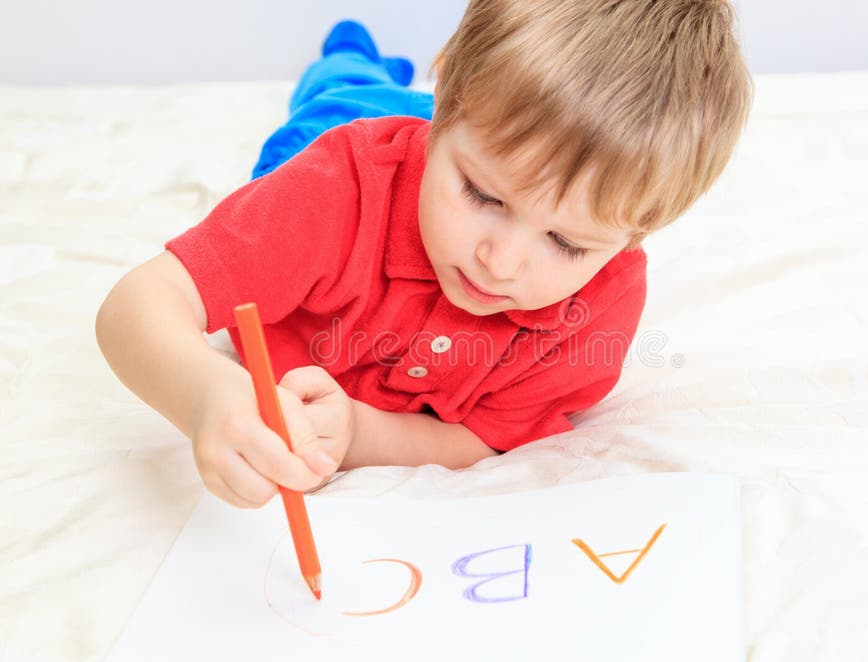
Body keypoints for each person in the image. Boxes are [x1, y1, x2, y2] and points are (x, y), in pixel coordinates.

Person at [96, 1, 753, 509]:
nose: (501, 262)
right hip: (338, 126)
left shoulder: (604, 303)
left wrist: (358, 432)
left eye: (566, 243)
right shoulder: (330, 191)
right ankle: (349, 54)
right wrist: (204, 394)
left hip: (448, 130)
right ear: (445, 111)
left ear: (638, 234)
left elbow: (485, 437)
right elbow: (139, 304)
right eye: (482, 195)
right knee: (340, 85)